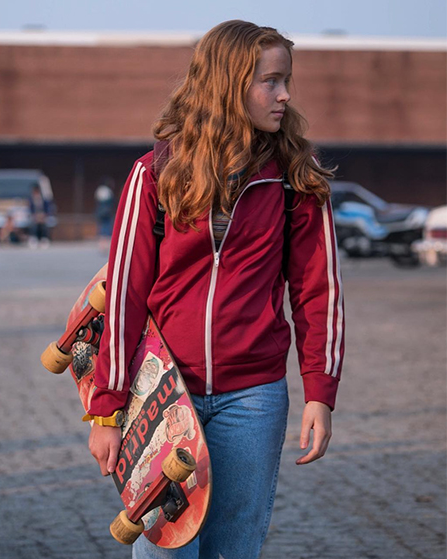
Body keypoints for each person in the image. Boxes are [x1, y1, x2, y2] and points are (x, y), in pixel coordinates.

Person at [84, 21, 344, 558]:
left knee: (232, 551)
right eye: (270, 81)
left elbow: (319, 292)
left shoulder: (296, 175)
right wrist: (106, 410)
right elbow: (125, 291)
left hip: (254, 396)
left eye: (286, 80)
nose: (285, 94)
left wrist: (320, 390)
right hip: (161, 393)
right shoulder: (156, 171)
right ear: (229, 82)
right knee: (162, 551)